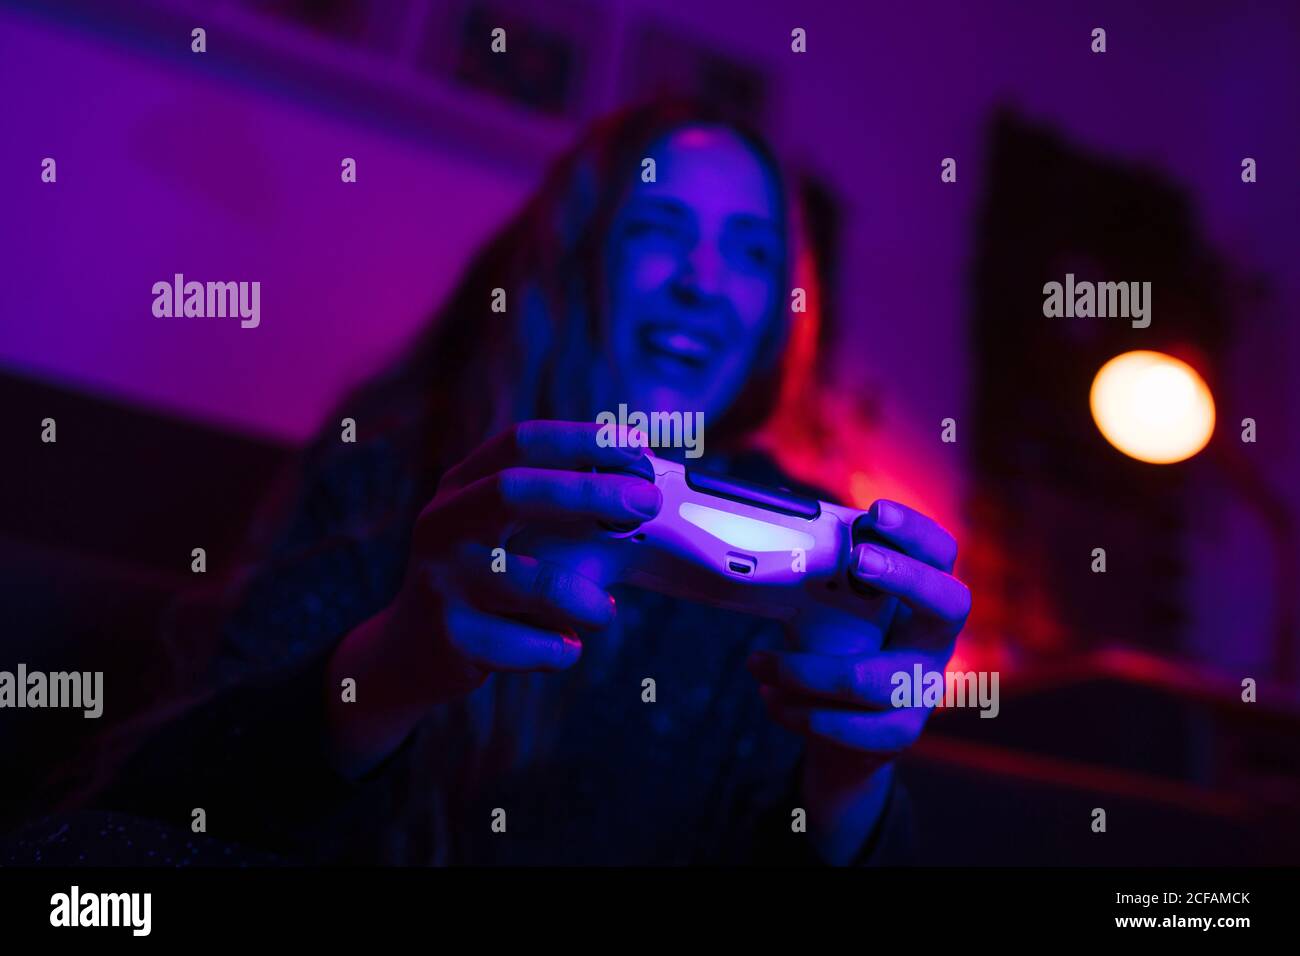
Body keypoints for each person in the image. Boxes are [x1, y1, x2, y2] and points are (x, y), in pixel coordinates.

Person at [9, 99, 970, 867]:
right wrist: (390, 670)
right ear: (578, 254)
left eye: (754, 255)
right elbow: (142, 830)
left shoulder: (794, 559)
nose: (705, 283)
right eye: (659, 229)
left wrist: (851, 786)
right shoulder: (396, 469)